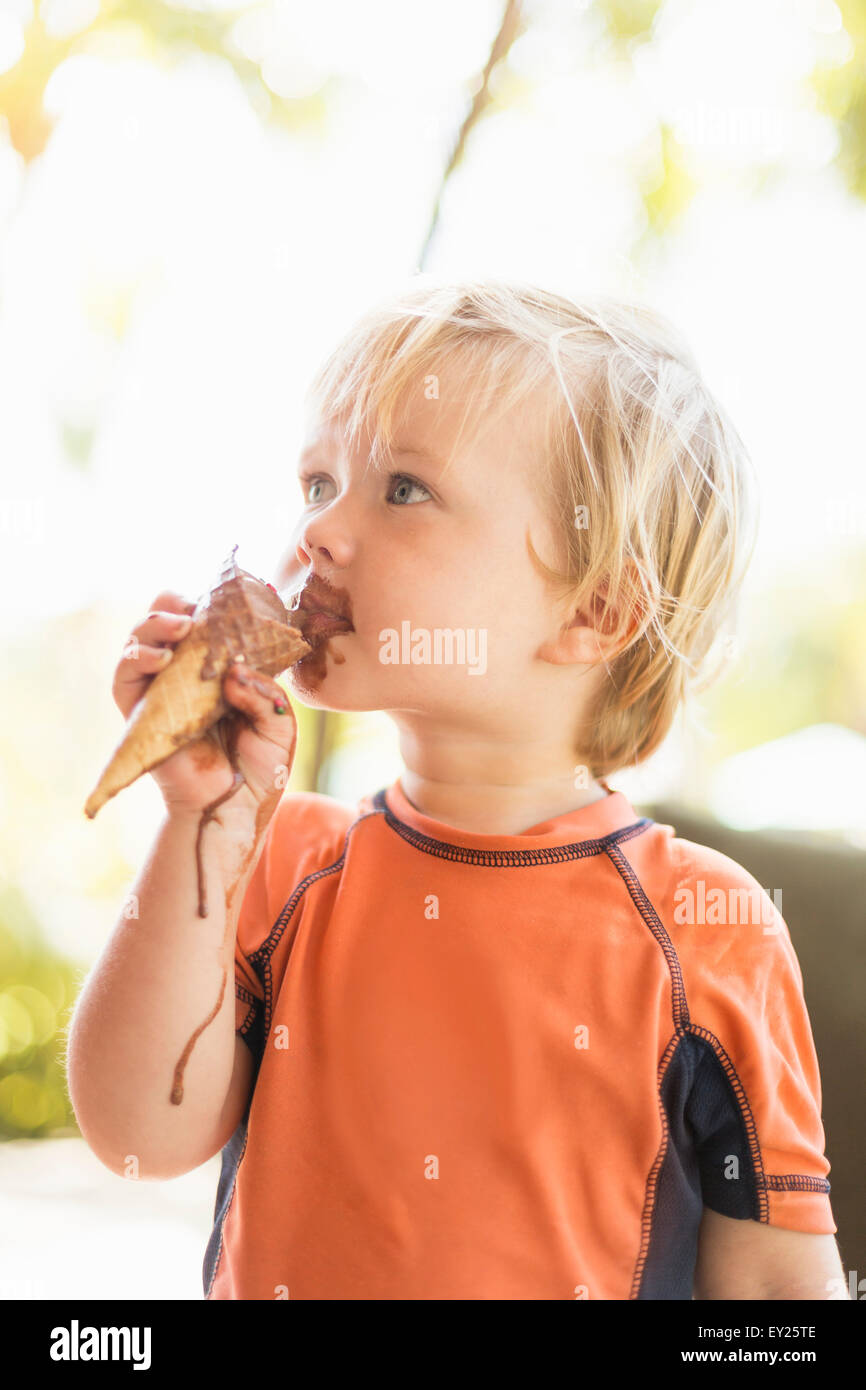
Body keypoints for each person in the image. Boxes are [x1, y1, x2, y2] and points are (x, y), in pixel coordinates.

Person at [67, 276, 848, 1300]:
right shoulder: (281, 861)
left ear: (596, 607)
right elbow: (136, 1136)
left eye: (401, 488)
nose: (315, 532)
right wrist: (199, 828)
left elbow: (774, 1286)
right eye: (315, 482)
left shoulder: (708, 933)